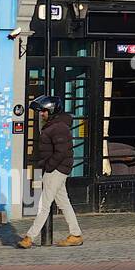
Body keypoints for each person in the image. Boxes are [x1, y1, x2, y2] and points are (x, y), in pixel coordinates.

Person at [17, 95, 83, 248]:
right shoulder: (54, 125)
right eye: (41, 111)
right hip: (57, 169)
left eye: (44, 111)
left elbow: (61, 151)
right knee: (63, 203)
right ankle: (76, 234)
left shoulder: (58, 127)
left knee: (44, 205)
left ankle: (29, 237)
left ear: (52, 111)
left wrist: (49, 166)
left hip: (56, 170)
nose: (42, 114)